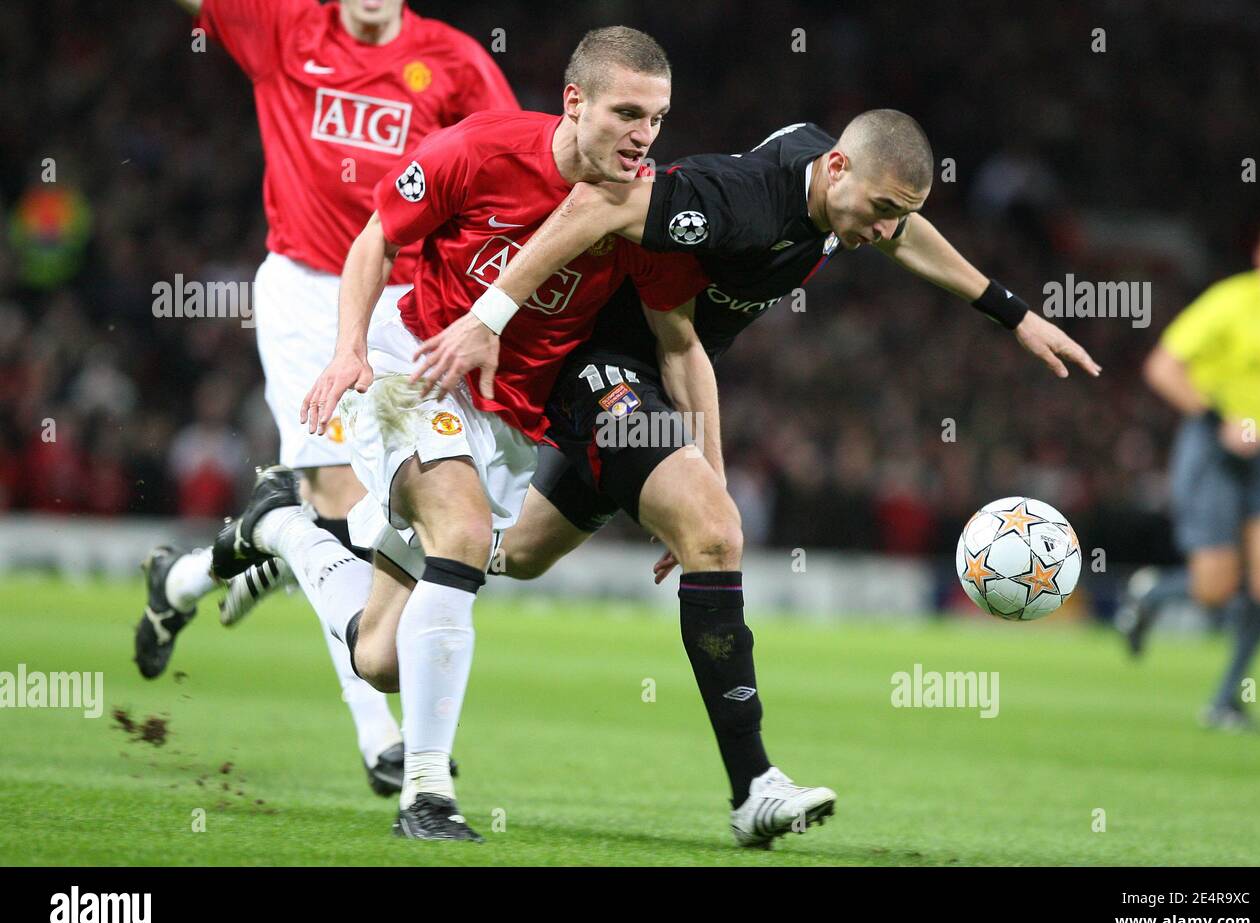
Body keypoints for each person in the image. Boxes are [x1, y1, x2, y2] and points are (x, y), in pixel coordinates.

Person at [455, 114, 1100, 847]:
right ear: (834, 170)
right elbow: (599, 205)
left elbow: (906, 233)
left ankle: (356, 540)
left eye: (899, 214)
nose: (886, 232)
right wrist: (491, 316)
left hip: (664, 370)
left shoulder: (839, 188)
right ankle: (754, 788)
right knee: (717, 532)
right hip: (601, 367)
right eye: (881, 210)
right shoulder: (733, 199)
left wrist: (1012, 315)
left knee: (522, 553)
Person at [211, 27, 710, 841]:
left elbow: (679, 343)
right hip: (411, 364)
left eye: (656, 119)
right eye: (627, 113)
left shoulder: (641, 211)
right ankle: (427, 796)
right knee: (465, 530)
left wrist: (701, 480)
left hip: (509, 424)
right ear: (575, 102)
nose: (643, 136)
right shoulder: (481, 149)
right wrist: (347, 353)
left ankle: (283, 529)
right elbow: (378, 236)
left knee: (381, 658)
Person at [133, 0, 518, 795]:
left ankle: (187, 580)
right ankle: (381, 735)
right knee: (342, 500)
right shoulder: (283, 25)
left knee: (389, 516)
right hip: (310, 294)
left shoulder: (452, 61)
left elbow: (510, 164)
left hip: (413, 301)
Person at [1115, 209, 1260, 730]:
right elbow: (1161, 367)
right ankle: (1152, 593)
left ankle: (1225, 700)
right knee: (1216, 587)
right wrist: (1222, 419)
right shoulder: (1231, 302)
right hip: (1214, 445)